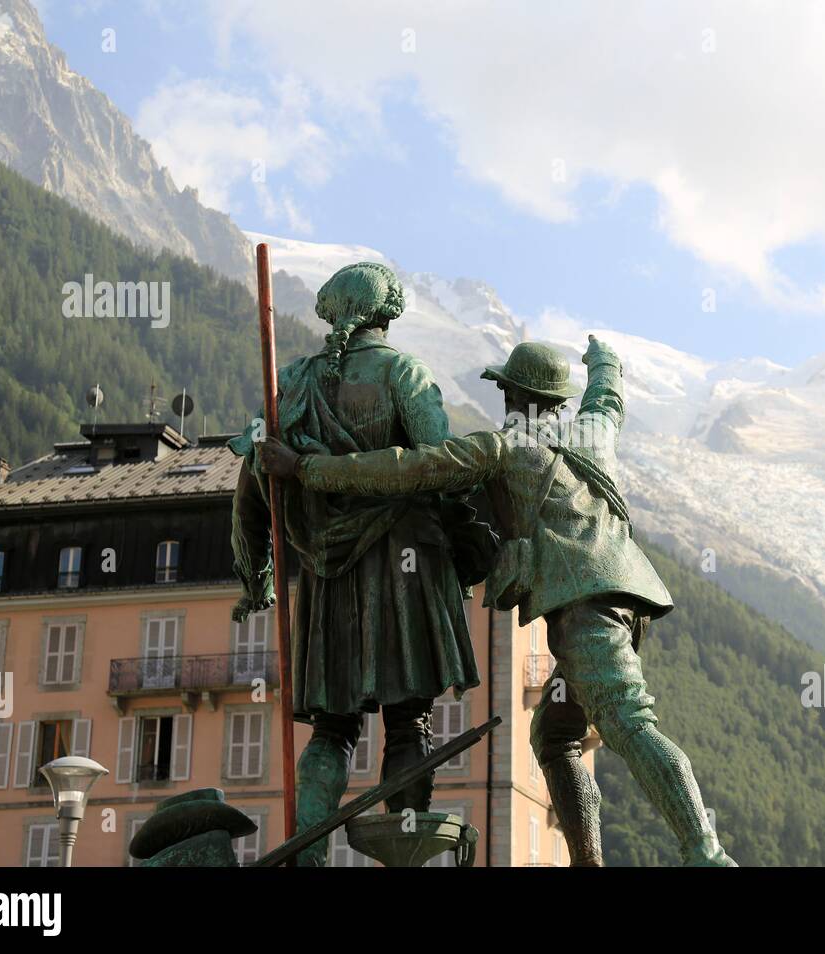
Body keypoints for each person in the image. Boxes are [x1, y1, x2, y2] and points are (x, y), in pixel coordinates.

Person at [258, 334, 735, 866]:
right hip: (630, 602)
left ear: (509, 396)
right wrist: (603, 358)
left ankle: (706, 852)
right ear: (557, 401)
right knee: (555, 735)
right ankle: (589, 861)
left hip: (585, 609)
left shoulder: (500, 449)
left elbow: (405, 468)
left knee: (629, 722)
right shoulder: (592, 434)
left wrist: (305, 469)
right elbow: (608, 397)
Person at [229, 261, 482, 866]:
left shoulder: (289, 386)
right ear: (387, 313)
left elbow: (250, 484)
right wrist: (465, 558)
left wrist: (256, 575)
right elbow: (439, 469)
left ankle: (306, 858)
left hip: (327, 577)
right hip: (407, 566)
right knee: (408, 717)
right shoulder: (405, 375)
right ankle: (408, 852)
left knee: (333, 729)